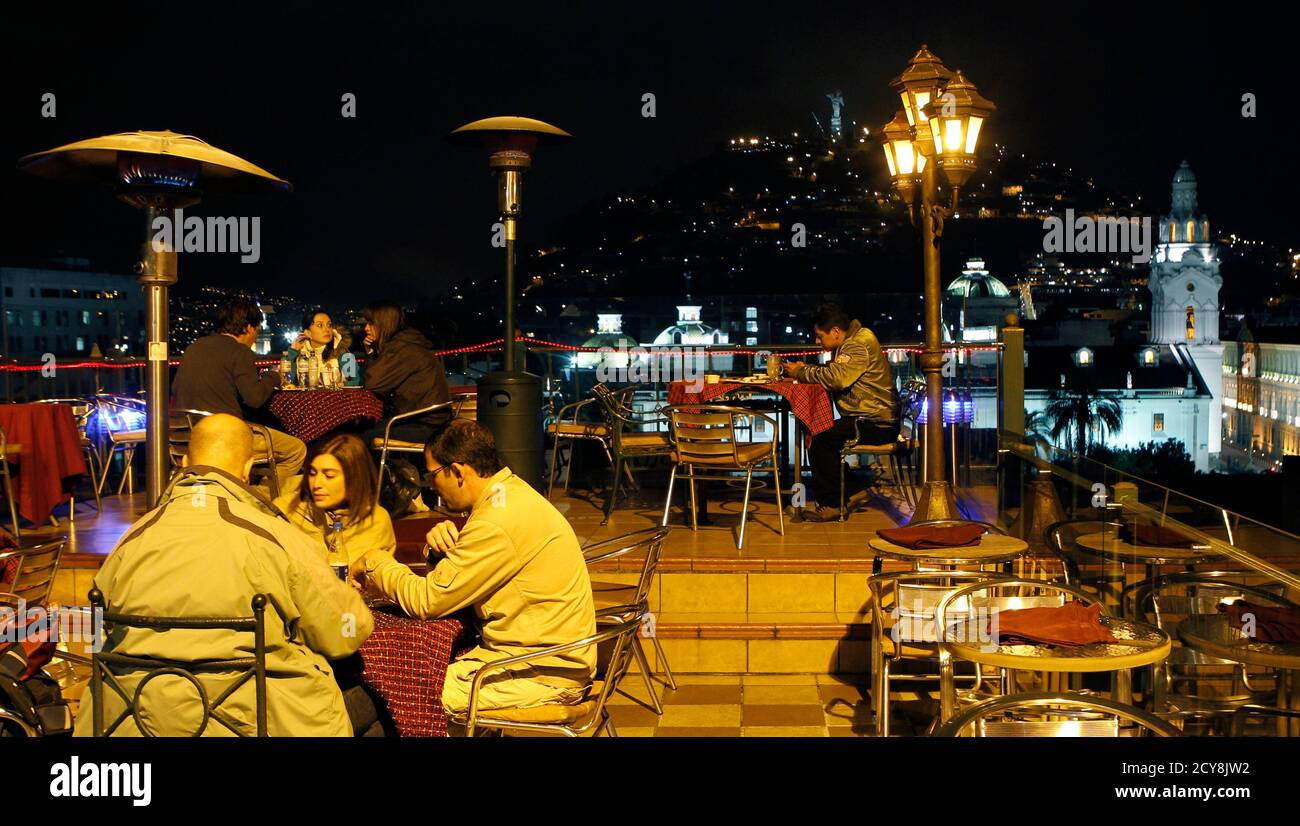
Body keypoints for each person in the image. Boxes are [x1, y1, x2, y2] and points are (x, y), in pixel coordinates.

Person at [73, 414, 374, 737]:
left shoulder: (130, 541)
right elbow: (344, 632)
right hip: (256, 722)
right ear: (248, 468)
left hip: (135, 723)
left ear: (185, 462)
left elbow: (99, 635)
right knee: (377, 702)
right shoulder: (275, 537)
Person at [350, 420, 596, 720]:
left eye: (432, 474)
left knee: (403, 692)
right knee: (409, 675)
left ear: (457, 471)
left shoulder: (496, 520)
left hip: (540, 672)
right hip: (536, 658)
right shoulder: (511, 494)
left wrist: (374, 561)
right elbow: (463, 580)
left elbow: (427, 601)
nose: (430, 485)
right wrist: (439, 554)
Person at [782, 302, 900, 521]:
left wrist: (801, 372)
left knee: (819, 440)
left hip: (875, 422)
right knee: (823, 437)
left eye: (819, 335)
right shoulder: (855, 340)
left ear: (835, 331)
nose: (817, 341)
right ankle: (854, 491)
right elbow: (837, 373)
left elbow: (837, 379)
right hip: (872, 418)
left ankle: (834, 503)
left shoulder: (856, 344)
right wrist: (805, 371)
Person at [172, 298, 306, 488]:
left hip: (187, 436)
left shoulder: (194, 347)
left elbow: (176, 390)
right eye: (257, 329)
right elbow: (255, 398)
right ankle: (258, 499)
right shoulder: (240, 352)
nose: (255, 336)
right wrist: (273, 377)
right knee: (296, 450)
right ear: (249, 328)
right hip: (226, 437)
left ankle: (246, 491)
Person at [275, 433, 396, 563]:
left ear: (354, 478)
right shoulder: (286, 510)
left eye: (329, 476)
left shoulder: (374, 520)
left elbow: (340, 573)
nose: (316, 484)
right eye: (312, 473)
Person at [362, 300, 451, 445]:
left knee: (359, 438)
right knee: (366, 430)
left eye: (370, 323)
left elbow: (372, 383)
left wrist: (370, 353)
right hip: (431, 421)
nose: (366, 328)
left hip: (426, 426)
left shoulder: (401, 349)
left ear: (384, 323)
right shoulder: (407, 343)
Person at [285, 308, 351, 389]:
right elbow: (289, 382)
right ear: (308, 333)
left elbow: (355, 381)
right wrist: (293, 353)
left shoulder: (343, 352)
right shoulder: (300, 354)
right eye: (320, 325)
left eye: (329, 325)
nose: (327, 329)